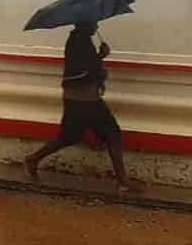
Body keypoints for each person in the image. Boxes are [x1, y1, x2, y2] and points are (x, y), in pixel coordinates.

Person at [25, 21, 137, 192]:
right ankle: (122, 181)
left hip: (76, 98)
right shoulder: (80, 42)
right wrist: (101, 57)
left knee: (68, 137)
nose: (96, 27)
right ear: (87, 25)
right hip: (86, 99)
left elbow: (84, 67)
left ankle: (33, 158)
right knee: (112, 133)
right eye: (94, 23)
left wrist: (98, 57)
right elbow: (86, 70)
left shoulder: (79, 40)